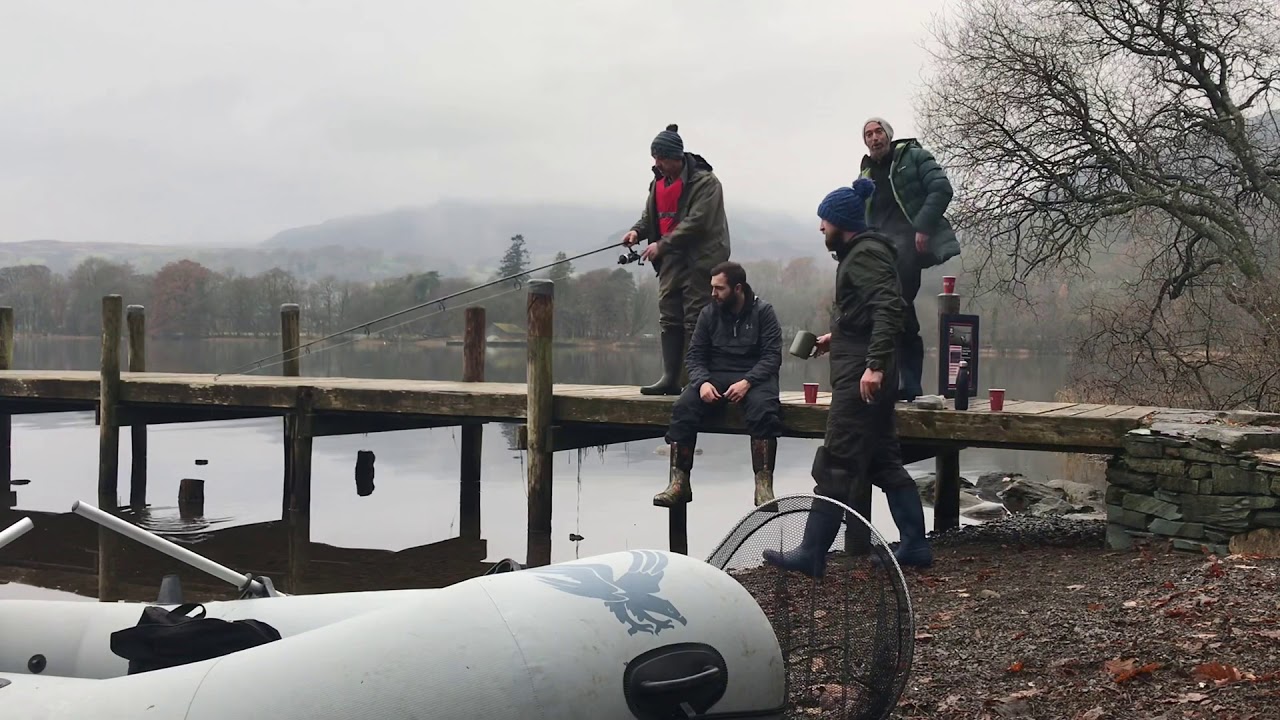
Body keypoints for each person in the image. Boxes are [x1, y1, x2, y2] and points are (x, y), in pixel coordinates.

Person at [762, 178, 933, 578]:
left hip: (862, 375)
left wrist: (873, 365)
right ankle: (915, 545)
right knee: (882, 460)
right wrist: (833, 337)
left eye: (825, 221)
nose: (821, 228)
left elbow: (890, 308)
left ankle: (812, 552)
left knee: (836, 460)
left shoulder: (865, 255)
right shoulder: (860, 253)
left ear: (842, 222)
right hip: (862, 366)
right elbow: (866, 313)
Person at [653, 261, 783, 509]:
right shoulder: (708, 313)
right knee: (684, 407)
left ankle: (764, 488)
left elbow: (772, 357)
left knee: (764, 411)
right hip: (715, 374)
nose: (713, 294)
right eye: (712, 288)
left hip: (754, 377)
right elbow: (694, 356)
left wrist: (747, 382)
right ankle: (679, 484)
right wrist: (701, 383)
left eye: (719, 289)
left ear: (738, 288)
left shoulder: (764, 312)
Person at [622, 123, 732, 396]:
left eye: (661, 159)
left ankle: (694, 380)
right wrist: (637, 231)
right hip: (671, 257)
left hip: (701, 259)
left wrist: (663, 244)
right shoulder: (658, 182)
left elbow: (698, 222)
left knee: (695, 317)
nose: (657, 164)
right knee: (669, 316)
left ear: (676, 157)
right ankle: (670, 378)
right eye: (654, 159)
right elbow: (652, 216)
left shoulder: (707, 183)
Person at [858, 118, 959, 401]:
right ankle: (902, 385)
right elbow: (863, 210)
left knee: (896, 309)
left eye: (878, 132)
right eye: (868, 134)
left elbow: (942, 189)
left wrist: (923, 226)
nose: (874, 138)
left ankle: (906, 384)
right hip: (879, 252)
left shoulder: (913, 157)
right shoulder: (866, 171)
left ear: (888, 135)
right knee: (898, 314)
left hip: (907, 248)